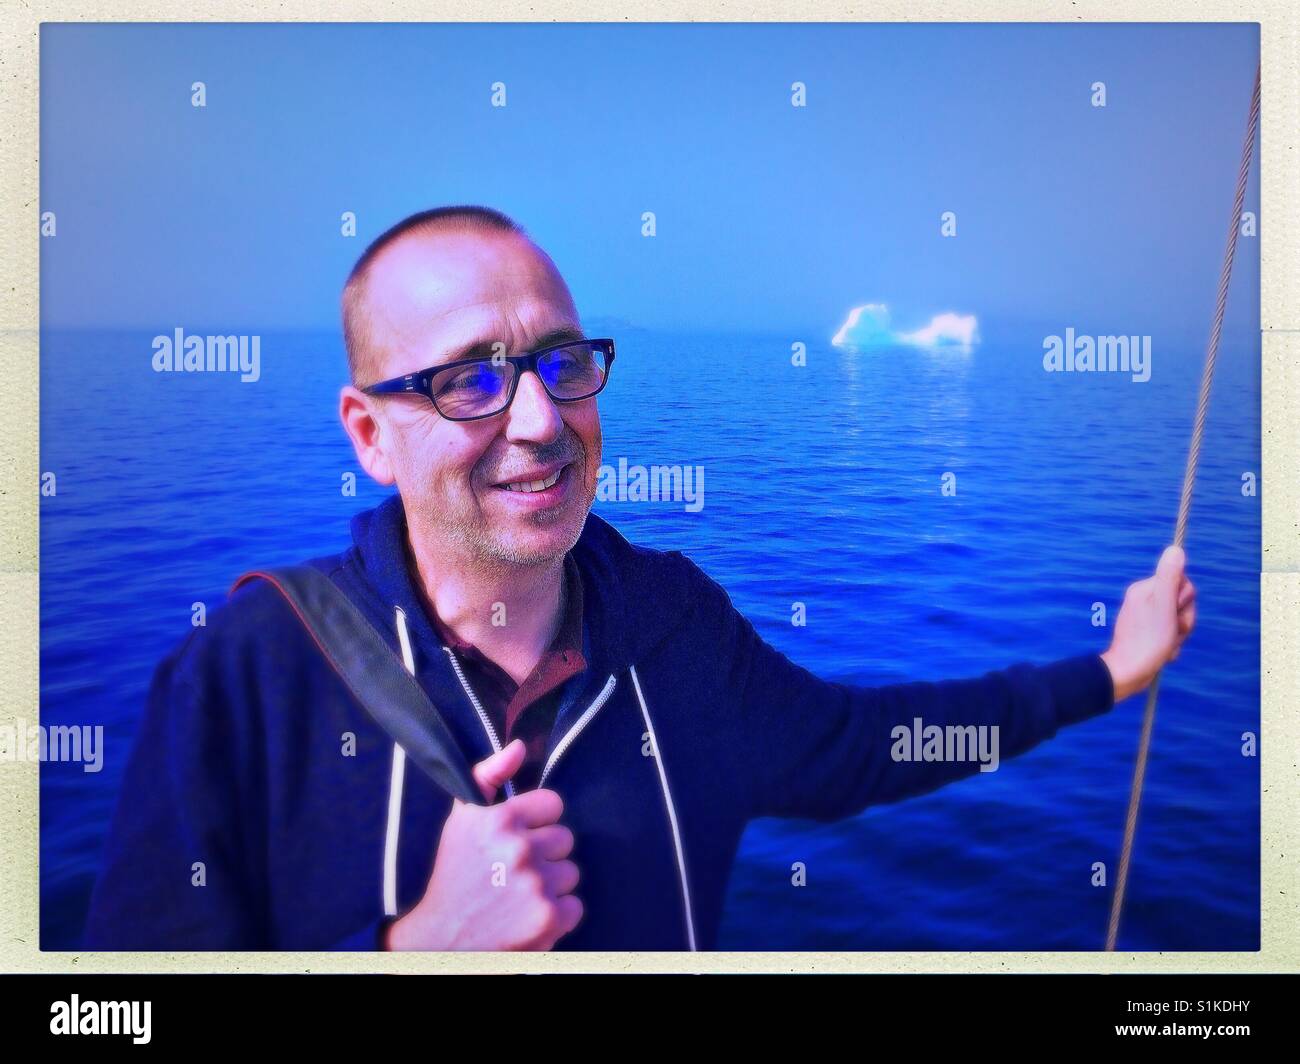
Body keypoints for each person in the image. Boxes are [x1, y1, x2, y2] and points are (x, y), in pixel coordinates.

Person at [84, 205, 1196, 951]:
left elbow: (874, 741)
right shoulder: (247, 673)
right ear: (370, 433)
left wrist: (1106, 670)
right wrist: (409, 952)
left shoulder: (679, 632)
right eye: (471, 378)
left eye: (563, 363)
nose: (540, 421)